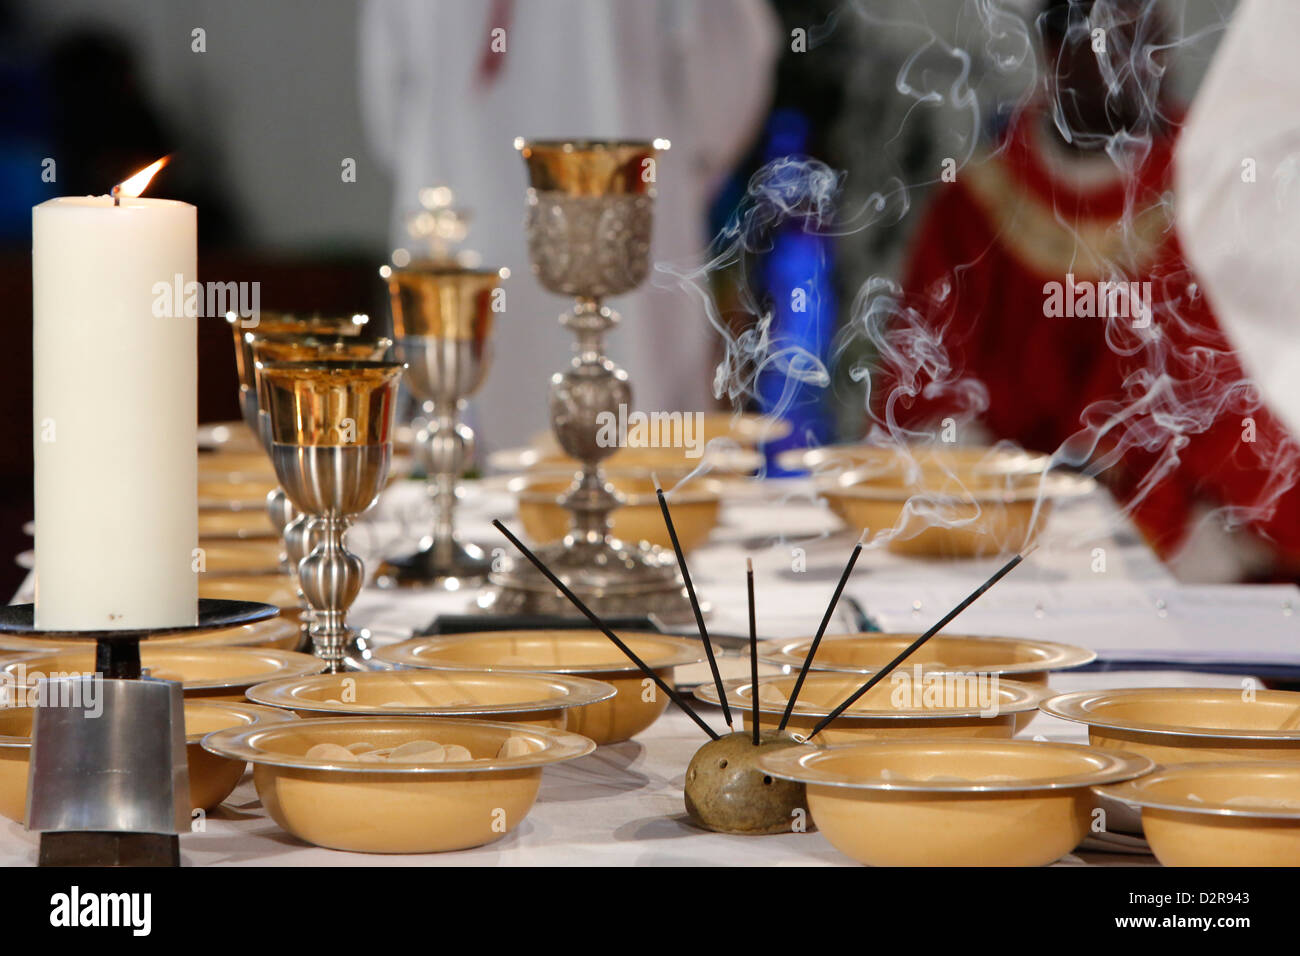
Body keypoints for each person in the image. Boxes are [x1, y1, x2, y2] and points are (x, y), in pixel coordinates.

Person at [890, 0, 1300, 580]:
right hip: (1001, 535)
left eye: (1154, 44)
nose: (1147, 67)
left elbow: (1239, 389)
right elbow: (923, 388)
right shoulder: (975, 207)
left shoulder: (1213, 190)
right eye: (1119, 46)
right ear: (1055, 55)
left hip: (1189, 540)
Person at [359, 0, 779, 453]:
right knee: (634, 469)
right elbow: (724, 76)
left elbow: (389, 97)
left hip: (461, 222)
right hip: (622, 216)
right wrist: (689, 173)